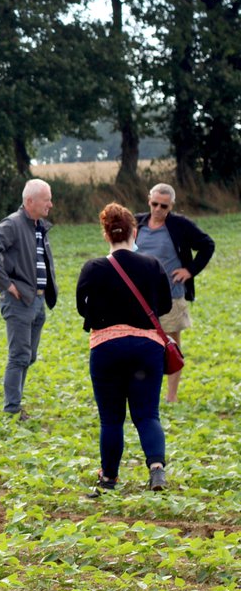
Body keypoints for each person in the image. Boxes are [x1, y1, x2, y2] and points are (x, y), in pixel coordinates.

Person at [76, 203, 172, 494]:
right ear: (134, 231)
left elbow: (82, 308)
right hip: (147, 349)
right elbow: (165, 306)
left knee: (111, 418)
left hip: (107, 349)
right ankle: (156, 471)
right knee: (147, 415)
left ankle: (108, 479)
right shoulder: (152, 265)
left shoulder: (93, 268)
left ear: (106, 235)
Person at [0, 179, 57, 420]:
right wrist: (7, 284)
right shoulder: (13, 224)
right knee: (19, 356)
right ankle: (12, 409)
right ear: (29, 201)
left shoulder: (39, 226)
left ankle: (15, 403)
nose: (50, 204)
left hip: (37, 302)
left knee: (29, 356)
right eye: (46, 200)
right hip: (19, 301)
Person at [134, 183, 215, 404]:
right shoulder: (137, 223)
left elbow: (208, 245)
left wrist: (189, 271)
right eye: (154, 204)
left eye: (164, 206)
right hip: (140, 298)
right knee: (140, 344)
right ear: (148, 199)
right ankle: (143, 392)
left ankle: (171, 396)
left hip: (171, 296)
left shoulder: (180, 225)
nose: (158, 209)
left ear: (171, 206)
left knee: (171, 345)